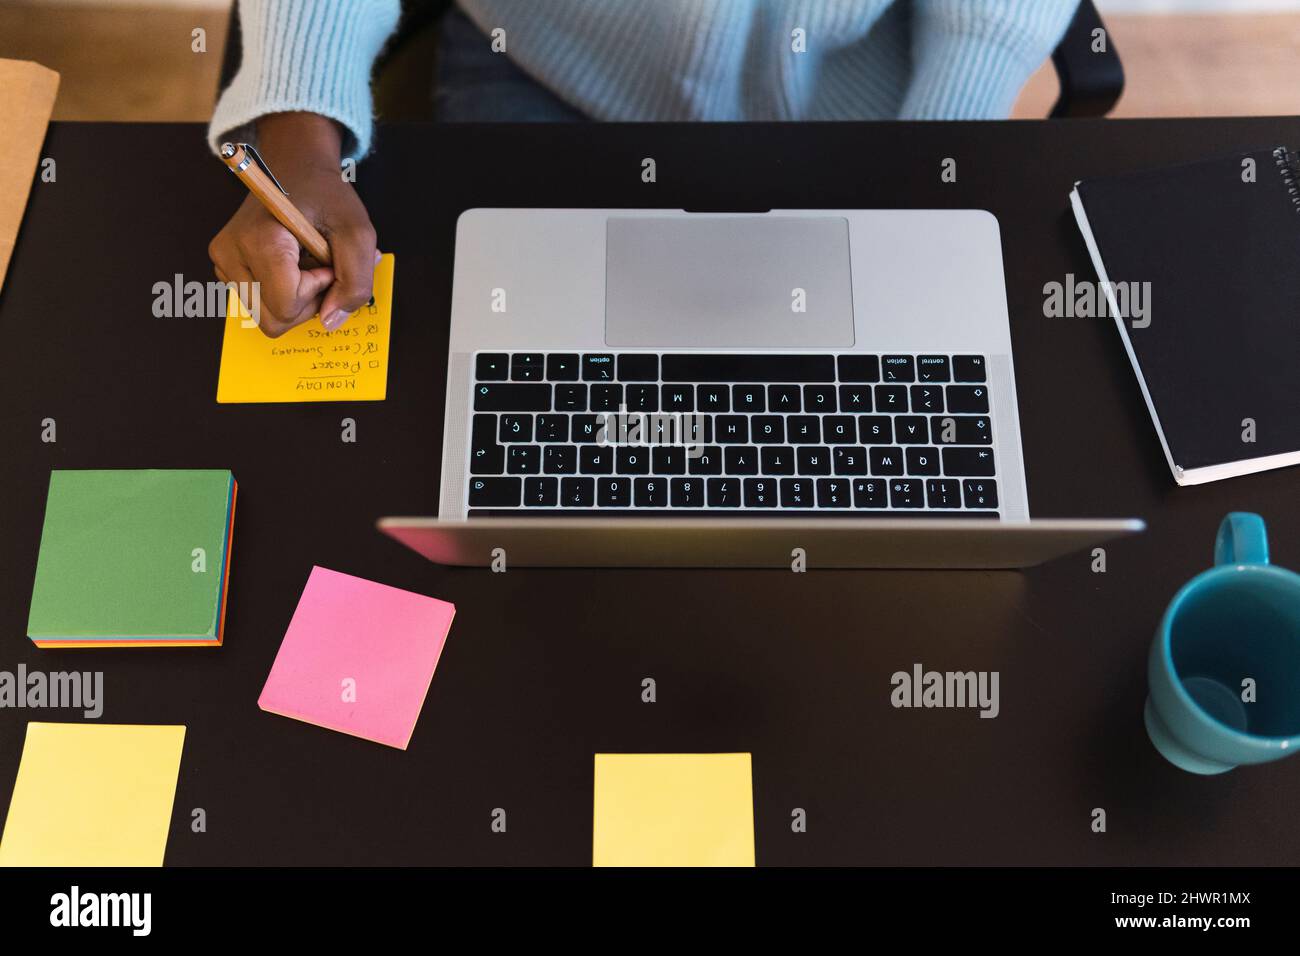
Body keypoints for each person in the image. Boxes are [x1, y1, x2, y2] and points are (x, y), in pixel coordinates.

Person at [208, 0, 1081, 336]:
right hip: (540, 57)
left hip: (853, 105)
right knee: (527, 384)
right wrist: (296, 132)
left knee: (844, 407)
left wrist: (923, 184)